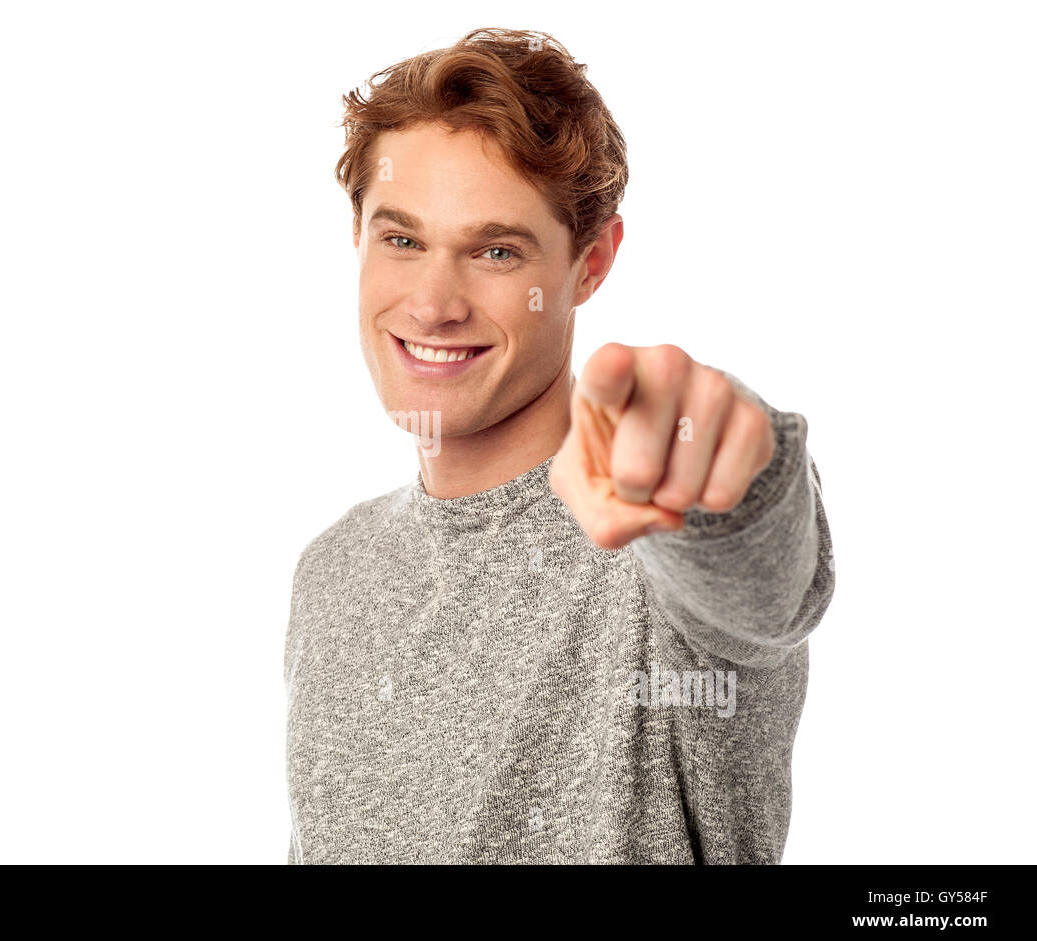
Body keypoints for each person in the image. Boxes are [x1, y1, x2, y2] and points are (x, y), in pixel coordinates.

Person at [283, 27, 836, 864]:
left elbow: (757, 572)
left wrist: (726, 470)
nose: (433, 304)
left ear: (592, 262)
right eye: (402, 239)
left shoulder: (651, 551)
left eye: (496, 251)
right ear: (357, 234)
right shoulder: (332, 569)